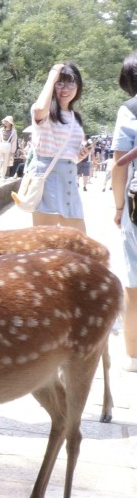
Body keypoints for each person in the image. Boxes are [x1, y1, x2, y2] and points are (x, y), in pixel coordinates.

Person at [25, 62, 87, 232]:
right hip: (47, 177)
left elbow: (68, 155)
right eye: (60, 84)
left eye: (71, 83)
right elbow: (39, 108)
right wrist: (53, 74)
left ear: (78, 86)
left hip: (69, 179)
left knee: (78, 239)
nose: (65, 89)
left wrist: (79, 155)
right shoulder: (43, 111)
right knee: (46, 239)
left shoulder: (75, 117)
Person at [109, 50, 137, 372]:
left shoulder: (130, 109)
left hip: (136, 204)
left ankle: (133, 358)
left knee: (134, 279)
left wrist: (118, 207)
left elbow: (120, 165)